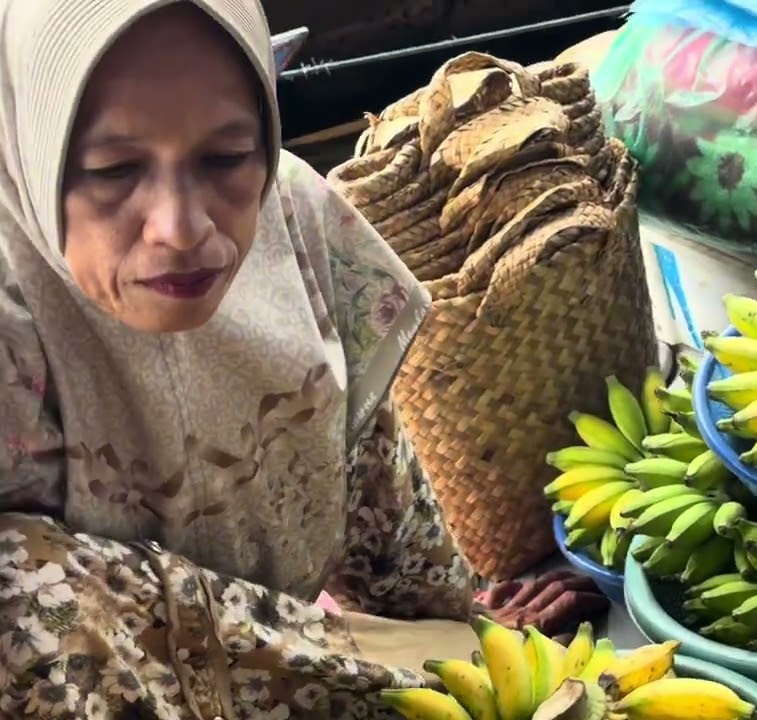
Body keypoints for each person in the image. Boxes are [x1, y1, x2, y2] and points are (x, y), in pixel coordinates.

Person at [0, 0, 480, 717]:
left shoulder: (291, 217)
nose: (181, 228)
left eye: (226, 157)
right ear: (31, 151)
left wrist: (469, 627)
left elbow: (377, 484)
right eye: (114, 168)